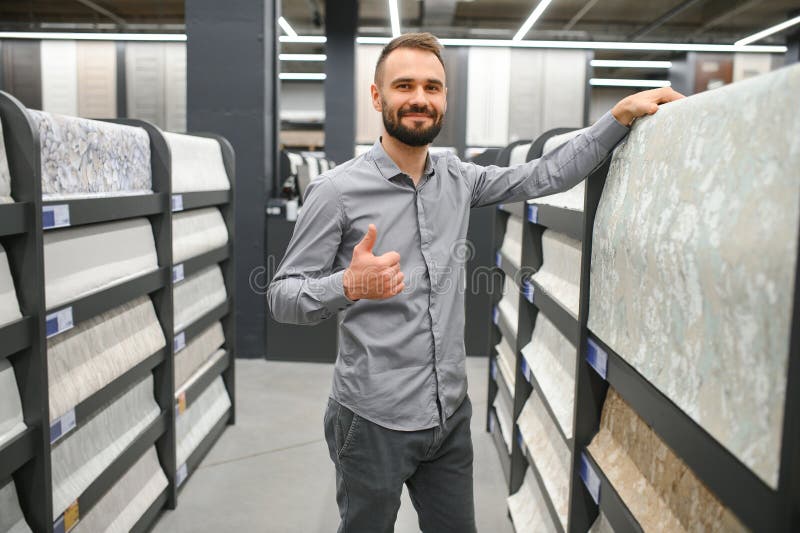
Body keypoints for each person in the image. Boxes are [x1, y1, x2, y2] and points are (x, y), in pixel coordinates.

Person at [267, 32, 683, 533]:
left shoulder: (458, 178)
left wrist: (617, 118)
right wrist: (348, 285)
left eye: (432, 87)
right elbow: (282, 297)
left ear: (444, 100)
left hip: (448, 416)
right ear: (377, 98)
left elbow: (544, 175)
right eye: (404, 86)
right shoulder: (336, 191)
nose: (419, 98)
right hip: (371, 420)